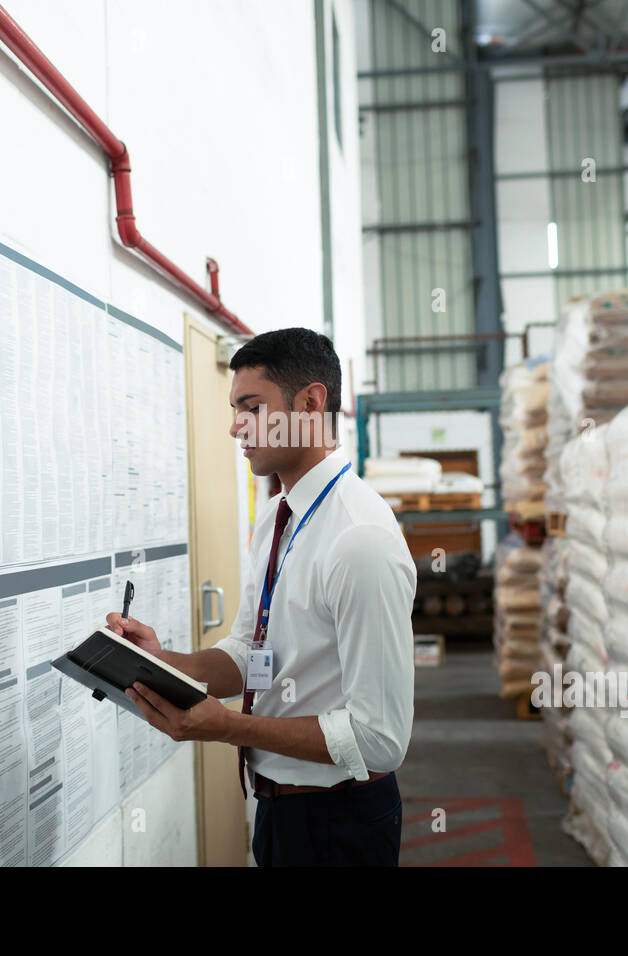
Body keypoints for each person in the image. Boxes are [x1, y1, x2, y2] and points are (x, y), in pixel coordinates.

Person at [106, 327, 416, 866]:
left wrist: (228, 728)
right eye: (234, 409)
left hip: (341, 823)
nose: (234, 427)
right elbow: (254, 657)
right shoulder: (278, 518)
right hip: (277, 810)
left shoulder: (360, 539)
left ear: (311, 403)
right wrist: (164, 664)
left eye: (250, 407)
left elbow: (379, 740)